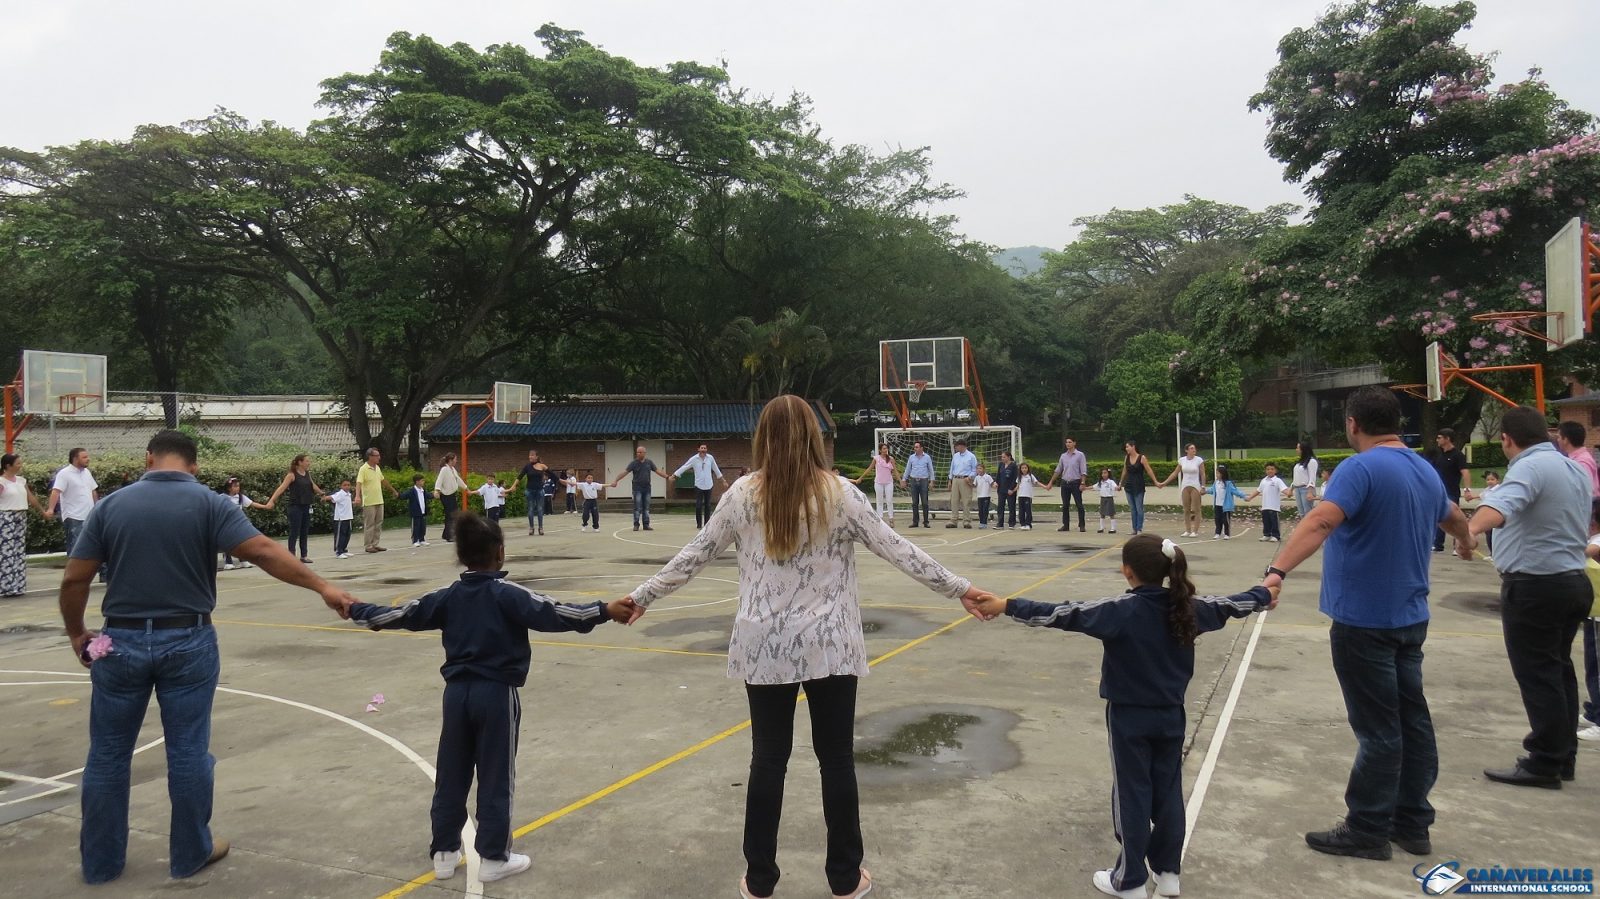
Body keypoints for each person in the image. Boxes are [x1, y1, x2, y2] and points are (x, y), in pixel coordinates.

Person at [620, 395, 998, 899]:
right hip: (830, 644)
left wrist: (642, 595)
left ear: (763, 438)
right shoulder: (839, 494)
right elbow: (899, 549)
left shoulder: (741, 495)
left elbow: (694, 555)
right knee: (836, 759)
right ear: (814, 437)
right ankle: (845, 878)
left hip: (764, 646)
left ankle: (759, 880)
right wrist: (961, 588)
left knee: (768, 759)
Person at [59, 429, 358, 885]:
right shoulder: (210, 503)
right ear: (194, 466)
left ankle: (100, 863)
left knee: (108, 755)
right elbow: (261, 551)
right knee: (188, 751)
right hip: (188, 640)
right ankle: (189, 853)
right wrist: (323, 586)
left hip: (120, 642)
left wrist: (79, 633)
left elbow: (74, 580)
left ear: (148, 459)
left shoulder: (111, 506)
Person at [972, 534, 1274, 899]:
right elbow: (1233, 603)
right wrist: (1264, 592)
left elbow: (1063, 614)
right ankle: (1167, 874)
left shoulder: (1121, 610)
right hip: (1171, 716)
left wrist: (1006, 604)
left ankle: (1129, 880)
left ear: (1127, 572)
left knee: (1132, 794)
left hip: (1129, 718)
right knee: (1167, 792)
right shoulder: (1189, 607)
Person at [346, 513, 635, 885]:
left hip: (456, 695)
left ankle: (445, 853)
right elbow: (555, 612)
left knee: (451, 772)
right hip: (496, 694)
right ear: (500, 553)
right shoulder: (507, 594)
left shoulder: (447, 597)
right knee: (496, 774)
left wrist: (355, 608)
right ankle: (494, 856)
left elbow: (401, 614)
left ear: (461, 556)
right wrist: (603, 610)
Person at [1261, 386, 1472, 860]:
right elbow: (1454, 516)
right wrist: (1465, 541)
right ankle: (1413, 823)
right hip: (1410, 616)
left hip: (1364, 620)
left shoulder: (1360, 468)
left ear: (1353, 424)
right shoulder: (1423, 467)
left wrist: (1277, 572)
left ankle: (1368, 828)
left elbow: (1320, 522)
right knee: (1412, 720)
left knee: (1378, 728)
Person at [1466, 405, 1591, 788]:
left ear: (1506, 438)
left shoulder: (1528, 467)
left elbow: (1500, 507)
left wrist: (1467, 532)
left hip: (1537, 585)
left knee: (1537, 674)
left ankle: (1545, 761)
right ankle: (1562, 754)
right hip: (1572, 580)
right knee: (1558, 671)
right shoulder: (1573, 467)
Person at [46, 447, 102, 579]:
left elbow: (93, 490)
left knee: (98, 544)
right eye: (84, 457)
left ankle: (103, 574)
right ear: (75, 459)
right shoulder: (64, 474)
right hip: (74, 517)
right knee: (77, 547)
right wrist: (50, 509)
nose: (88, 459)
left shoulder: (86, 472)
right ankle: (74, 576)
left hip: (89, 515)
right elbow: (56, 491)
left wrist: (97, 507)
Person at [0, 453, 46, 596]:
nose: (20, 466)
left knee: (18, 550)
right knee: (6, 551)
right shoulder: (2, 482)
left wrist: (42, 511)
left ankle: (18, 585)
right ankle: (5, 586)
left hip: (21, 516)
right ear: (8, 466)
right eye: (18, 463)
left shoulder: (21, 481)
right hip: (6, 517)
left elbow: (30, 497)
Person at [266, 454, 325, 563]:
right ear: (300, 462)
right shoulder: (291, 475)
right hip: (295, 507)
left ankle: (304, 555)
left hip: (306, 505)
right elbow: (281, 488)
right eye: (307, 461)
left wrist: (321, 494)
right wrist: (272, 500)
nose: (308, 463)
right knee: (294, 531)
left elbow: (312, 485)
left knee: (304, 531)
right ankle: (291, 556)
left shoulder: (307, 474)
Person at [609, 445, 671, 532]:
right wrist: (616, 480)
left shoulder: (649, 463)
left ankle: (646, 525)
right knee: (637, 507)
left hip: (647, 488)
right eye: (637, 452)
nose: (638, 453)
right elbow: (624, 472)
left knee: (646, 508)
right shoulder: (633, 463)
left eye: (640, 452)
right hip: (637, 488)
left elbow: (658, 471)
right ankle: (636, 524)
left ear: (644, 453)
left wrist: (667, 477)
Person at [1431, 428, 1473, 552]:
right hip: (1438, 491)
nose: (1437, 440)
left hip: (1451, 491)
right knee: (1438, 518)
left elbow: (1465, 472)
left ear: (1447, 438)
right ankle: (1438, 544)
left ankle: (1458, 545)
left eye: (1439, 437)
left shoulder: (1457, 455)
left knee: (1453, 518)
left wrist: (1467, 490)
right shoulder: (1438, 454)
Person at [1580, 498, 1600, 743]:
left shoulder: (1595, 543)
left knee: (1597, 668)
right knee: (1591, 665)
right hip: (1592, 613)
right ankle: (1593, 709)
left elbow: (1584, 552)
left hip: (1598, 615)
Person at [217, 477, 270, 569]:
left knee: (241, 542)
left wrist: (265, 506)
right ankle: (228, 562)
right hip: (226, 524)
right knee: (228, 542)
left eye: (238, 486)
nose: (237, 488)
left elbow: (252, 503)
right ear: (229, 488)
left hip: (238, 523)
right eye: (235, 486)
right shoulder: (222, 498)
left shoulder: (241, 497)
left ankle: (243, 560)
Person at [674, 443, 730, 529]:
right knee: (698, 505)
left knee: (708, 505)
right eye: (702, 448)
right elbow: (684, 467)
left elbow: (716, 470)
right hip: (698, 485)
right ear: (698, 449)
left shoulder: (710, 458)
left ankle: (707, 524)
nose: (703, 450)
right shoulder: (694, 459)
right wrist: (674, 475)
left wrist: (723, 481)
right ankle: (699, 524)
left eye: (705, 448)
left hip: (709, 484)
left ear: (706, 450)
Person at [355, 447, 400, 554]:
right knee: (369, 524)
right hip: (369, 501)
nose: (379, 458)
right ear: (370, 457)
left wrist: (393, 490)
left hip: (379, 499)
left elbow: (383, 480)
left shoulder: (377, 468)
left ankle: (375, 543)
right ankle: (368, 545)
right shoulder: (364, 469)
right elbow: (359, 483)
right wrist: (357, 496)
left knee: (378, 523)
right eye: (377, 456)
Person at [1158, 444, 1207, 538]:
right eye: (1191, 448)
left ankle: (1195, 531)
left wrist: (1203, 486)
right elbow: (1175, 473)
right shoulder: (1182, 460)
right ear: (1186, 450)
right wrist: (1164, 483)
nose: (1194, 450)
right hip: (1185, 486)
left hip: (1195, 486)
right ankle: (1188, 530)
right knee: (1186, 509)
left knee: (1196, 509)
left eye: (1194, 448)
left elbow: (1202, 474)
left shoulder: (1198, 460)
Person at [1047, 436, 1090, 533]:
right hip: (1065, 482)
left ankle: (1082, 525)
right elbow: (1058, 470)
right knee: (1065, 505)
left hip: (1075, 482)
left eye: (1070, 442)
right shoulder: (1063, 456)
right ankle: (1065, 525)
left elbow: (1083, 470)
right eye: (1067, 442)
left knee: (1079, 505)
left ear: (1074, 443)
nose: (1068, 444)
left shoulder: (1080, 455)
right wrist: (1051, 482)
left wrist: (1082, 482)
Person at [1119, 441, 1159, 536]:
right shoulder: (1127, 458)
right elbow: (1125, 471)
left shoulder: (1142, 458)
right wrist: (1120, 483)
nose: (1126, 449)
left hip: (1139, 485)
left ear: (1133, 447)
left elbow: (1149, 470)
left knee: (1139, 508)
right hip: (1129, 485)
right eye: (1126, 447)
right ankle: (1134, 529)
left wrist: (1155, 481)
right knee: (1132, 509)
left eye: (1128, 447)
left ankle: (1139, 528)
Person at [855, 443, 899, 527]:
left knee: (889, 500)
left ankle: (891, 518)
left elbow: (895, 471)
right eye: (884, 449)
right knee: (879, 501)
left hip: (889, 482)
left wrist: (900, 480)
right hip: (878, 483)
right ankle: (880, 519)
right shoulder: (876, 459)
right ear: (880, 450)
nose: (885, 450)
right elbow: (869, 468)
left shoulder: (891, 459)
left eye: (886, 448)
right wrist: (861, 478)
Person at [509, 450, 551, 537]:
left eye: (532, 455)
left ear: (536, 456)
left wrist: (560, 480)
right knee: (530, 509)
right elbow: (520, 476)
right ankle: (531, 528)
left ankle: (540, 527)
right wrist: (513, 486)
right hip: (529, 490)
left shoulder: (541, 466)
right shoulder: (527, 466)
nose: (530, 457)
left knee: (540, 509)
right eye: (529, 455)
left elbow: (551, 474)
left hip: (539, 490)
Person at [1246, 463, 1289, 542]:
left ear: (1275, 470)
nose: (1270, 471)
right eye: (1268, 469)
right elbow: (1258, 490)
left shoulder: (1277, 480)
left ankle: (1276, 535)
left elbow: (1284, 490)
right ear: (1265, 471)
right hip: (1265, 505)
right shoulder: (1264, 481)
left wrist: (1289, 493)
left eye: (1272, 469)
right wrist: (1250, 497)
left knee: (1274, 521)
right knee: (1266, 521)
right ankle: (1267, 534)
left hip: (1274, 506)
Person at [1557, 422, 1600, 497]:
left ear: (1566, 440)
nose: (1557, 440)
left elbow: (1586, 489)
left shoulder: (1582, 462)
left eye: (1559, 437)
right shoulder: (1577, 458)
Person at [1208, 464, 1248, 540]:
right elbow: (1212, 490)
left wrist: (1244, 496)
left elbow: (1235, 491)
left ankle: (1227, 534)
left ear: (1223, 474)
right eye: (1216, 473)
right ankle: (1217, 533)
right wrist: (1204, 491)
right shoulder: (1216, 483)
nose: (1217, 475)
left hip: (1225, 506)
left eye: (1218, 473)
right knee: (1217, 519)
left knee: (1225, 520)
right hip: (1217, 504)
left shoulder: (1228, 484)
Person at [433, 452, 466, 543]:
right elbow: (439, 480)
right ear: (451, 460)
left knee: (452, 515)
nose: (456, 461)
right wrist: (437, 490)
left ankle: (446, 534)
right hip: (446, 496)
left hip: (452, 495)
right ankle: (449, 535)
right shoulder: (444, 469)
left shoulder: (452, 469)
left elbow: (458, 479)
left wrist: (466, 488)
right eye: (455, 459)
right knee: (450, 515)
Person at [900, 441, 934, 528]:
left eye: (917, 447)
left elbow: (931, 470)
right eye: (915, 447)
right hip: (914, 480)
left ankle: (926, 522)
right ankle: (915, 521)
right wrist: (904, 479)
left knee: (925, 502)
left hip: (923, 480)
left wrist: (932, 481)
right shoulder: (911, 457)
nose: (915, 448)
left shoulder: (927, 457)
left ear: (922, 448)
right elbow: (908, 469)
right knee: (914, 502)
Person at [946, 439, 978, 529]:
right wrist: (950, 480)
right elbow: (952, 468)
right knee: (954, 500)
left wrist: (970, 477)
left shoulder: (971, 456)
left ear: (962, 446)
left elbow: (975, 469)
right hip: (956, 478)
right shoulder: (955, 456)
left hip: (965, 479)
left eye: (957, 446)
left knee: (966, 501)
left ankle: (966, 521)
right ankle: (953, 520)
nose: (956, 448)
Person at [323, 479, 355, 559]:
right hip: (341, 518)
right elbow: (331, 497)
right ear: (341, 486)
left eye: (348, 485)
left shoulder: (348, 494)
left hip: (348, 517)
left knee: (347, 534)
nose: (347, 486)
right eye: (344, 485)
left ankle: (344, 550)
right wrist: (324, 497)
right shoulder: (340, 494)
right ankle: (338, 551)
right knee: (341, 535)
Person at [1012, 462, 1049, 531]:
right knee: (1021, 511)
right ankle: (1022, 524)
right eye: (1022, 468)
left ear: (1028, 469)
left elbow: (1037, 483)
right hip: (1020, 496)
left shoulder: (1030, 476)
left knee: (1028, 511)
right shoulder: (1019, 477)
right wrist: (1012, 491)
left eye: (1025, 468)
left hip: (1028, 496)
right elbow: (1017, 486)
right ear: (1020, 469)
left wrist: (1045, 487)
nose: (1024, 469)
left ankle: (1028, 524)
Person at [1291, 441, 1320, 522]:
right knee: (1301, 513)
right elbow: (1296, 478)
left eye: (1298, 448)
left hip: (1306, 489)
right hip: (1297, 489)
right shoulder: (1299, 463)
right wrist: (1291, 489)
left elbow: (1312, 477)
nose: (1296, 449)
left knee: (1308, 513)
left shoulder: (1311, 461)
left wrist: (1310, 492)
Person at [994, 451, 1020, 530]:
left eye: (1004, 457)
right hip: (1001, 489)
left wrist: (1011, 489)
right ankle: (1000, 523)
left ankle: (1012, 523)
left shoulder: (1013, 466)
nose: (1002, 458)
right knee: (1000, 506)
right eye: (1002, 457)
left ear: (1009, 457)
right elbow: (998, 475)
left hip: (1010, 489)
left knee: (1011, 506)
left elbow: (1015, 478)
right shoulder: (1001, 465)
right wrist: (996, 482)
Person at [408, 474, 431, 547]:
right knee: (416, 526)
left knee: (422, 526)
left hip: (422, 511)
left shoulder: (423, 490)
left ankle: (422, 539)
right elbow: (404, 495)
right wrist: (398, 495)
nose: (423, 482)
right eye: (422, 480)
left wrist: (433, 495)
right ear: (417, 482)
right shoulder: (412, 491)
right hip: (415, 512)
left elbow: (428, 495)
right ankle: (415, 540)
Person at [1095, 467, 1120, 534]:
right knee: (1102, 513)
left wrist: (1118, 488)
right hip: (1102, 498)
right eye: (1102, 473)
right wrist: (1085, 488)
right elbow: (1094, 486)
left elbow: (1115, 487)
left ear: (1108, 473)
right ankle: (1101, 527)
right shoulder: (1100, 482)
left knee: (1111, 513)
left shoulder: (1111, 482)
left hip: (1109, 498)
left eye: (1105, 473)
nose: (1103, 474)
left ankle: (1113, 528)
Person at [974, 463, 995, 529]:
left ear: (984, 469)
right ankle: (981, 522)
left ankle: (984, 523)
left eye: (980, 468)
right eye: (977, 469)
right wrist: (968, 482)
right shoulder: (977, 477)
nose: (979, 470)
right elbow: (974, 485)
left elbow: (992, 483)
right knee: (980, 510)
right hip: (979, 496)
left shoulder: (988, 477)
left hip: (986, 495)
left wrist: (995, 486)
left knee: (985, 509)